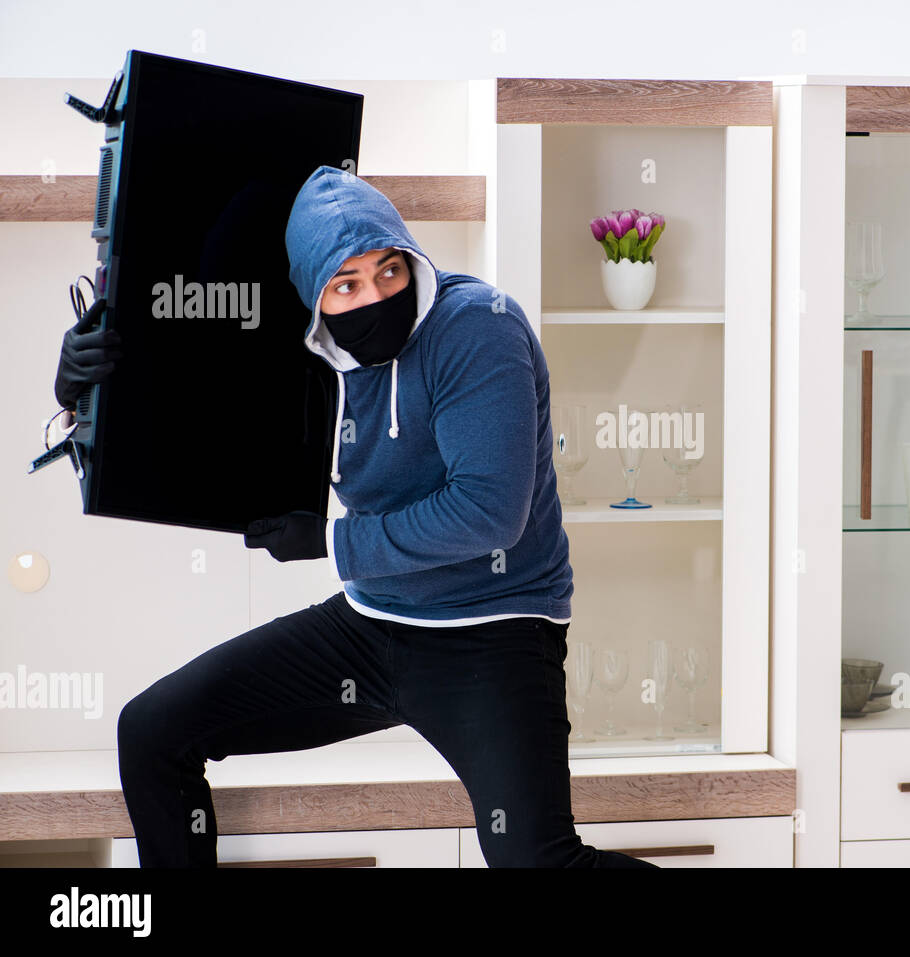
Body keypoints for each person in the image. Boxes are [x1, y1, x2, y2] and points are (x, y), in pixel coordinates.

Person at [54, 165, 657, 868]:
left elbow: (490, 513)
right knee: (153, 730)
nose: (375, 295)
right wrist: (78, 391)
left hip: (493, 630)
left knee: (538, 858)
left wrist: (334, 543)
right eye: (347, 284)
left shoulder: (477, 328)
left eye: (388, 271)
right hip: (372, 626)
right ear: (316, 300)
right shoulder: (309, 351)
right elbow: (179, 442)